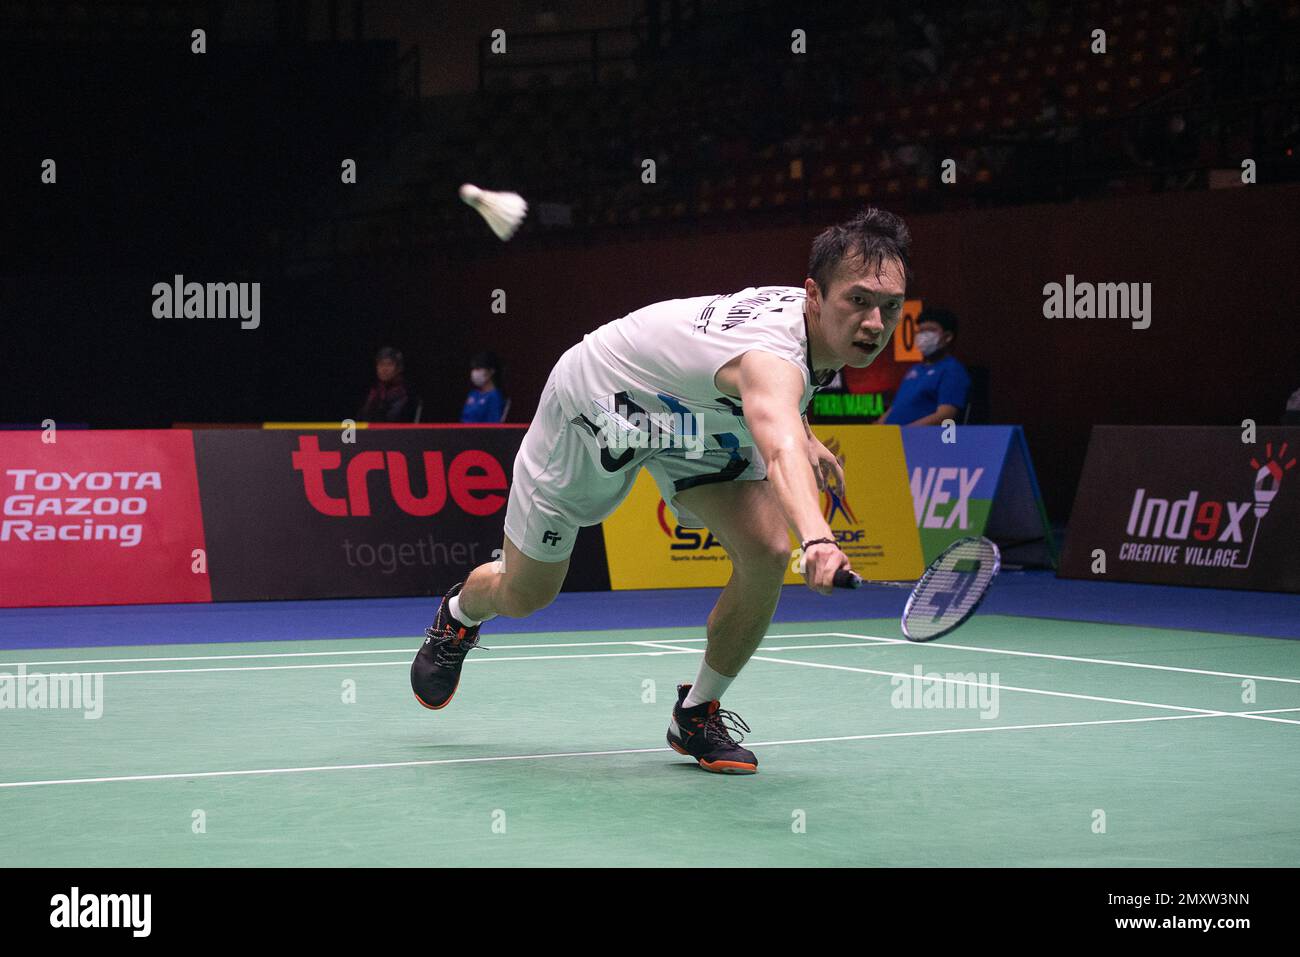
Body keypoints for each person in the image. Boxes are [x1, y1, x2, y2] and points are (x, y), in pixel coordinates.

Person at [410, 207, 912, 775]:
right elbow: (776, 440)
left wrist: (804, 431)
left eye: (889, 307)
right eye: (859, 301)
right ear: (814, 295)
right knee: (528, 593)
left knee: (768, 550)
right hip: (600, 403)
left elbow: (776, 408)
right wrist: (818, 539)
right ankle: (459, 614)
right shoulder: (773, 353)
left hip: (694, 423)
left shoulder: (813, 331)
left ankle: (695, 714)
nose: (875, 322)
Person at [878, 307, 970, 426]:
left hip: (918, 440)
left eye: (930, 330)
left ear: (947, 337)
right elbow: (896, 406)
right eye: (920, 331)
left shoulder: (952, 370)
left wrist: (904, 432)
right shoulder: (914, 369)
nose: (923, 336)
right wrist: (879, 426)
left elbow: (945, 416)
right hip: (889, 438)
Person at [358, 347, 415, 422]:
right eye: (381, 364)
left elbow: (393, 419)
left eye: (389, 364)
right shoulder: (374, 391)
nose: (384, 369)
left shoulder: (405, 393)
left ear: (399, 368)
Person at [459, 351, 507, 423]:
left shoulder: (495, 396)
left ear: (491, 371)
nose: (474, 372)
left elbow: (493, 425)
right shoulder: (473, 394)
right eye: (473, 369)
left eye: (478, 368)